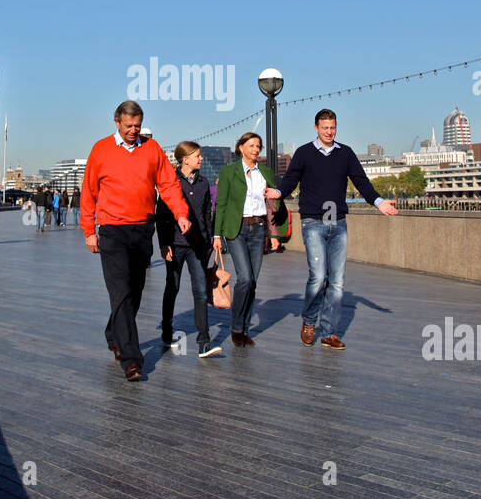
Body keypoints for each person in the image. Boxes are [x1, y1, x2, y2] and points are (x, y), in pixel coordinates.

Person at [266, 109, 399, 351]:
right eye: (325, 127)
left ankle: (329, 332)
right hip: (313, 222)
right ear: (316, 128)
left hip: (338, 223)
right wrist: (278, 192)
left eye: (333, 127)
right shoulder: (304, 153)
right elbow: (291, 179)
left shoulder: (345, 153)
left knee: (337, 282)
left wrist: (379, 202)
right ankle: (309, 321)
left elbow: (361, 181)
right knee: (318, 277)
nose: (329, 132)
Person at [82, 100, 191, 383]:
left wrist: (180, 212)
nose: (134, 131)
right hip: (112, 231)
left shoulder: (152, 149)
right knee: (120, 291)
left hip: (143, 230)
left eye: (138, 126)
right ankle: (132, 360)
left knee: (136, 290)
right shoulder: (101, 150)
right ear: (116, 122)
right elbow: (89, 192)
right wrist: (88, 230)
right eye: (129, 126)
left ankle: (113, 333)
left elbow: (168, 184)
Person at [213, 132, 280, 347]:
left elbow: (273, 204)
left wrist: (274, 234)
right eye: (251, 145)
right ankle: (236, 327)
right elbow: (220, 205)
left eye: (258, 146)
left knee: (253, 283)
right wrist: (216, 235)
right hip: (237, 229)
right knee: (245, 279)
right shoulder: (229, 172)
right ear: (240, 147)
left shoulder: (265, 172)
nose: (256, 150)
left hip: (259, 230)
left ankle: (243, 328)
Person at [157, 142, 221, 358]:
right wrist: (164, 244)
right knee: (172, 288)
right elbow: (162, 216)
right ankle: (167, 332)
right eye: (197, 156)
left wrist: (209, 240)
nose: (201, 159)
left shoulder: (204, 183)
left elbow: (205, 215)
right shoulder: (170, 182)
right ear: (185, 159)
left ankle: (204, 341)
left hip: (197, 246)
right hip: (175, 244)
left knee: (201, 291)